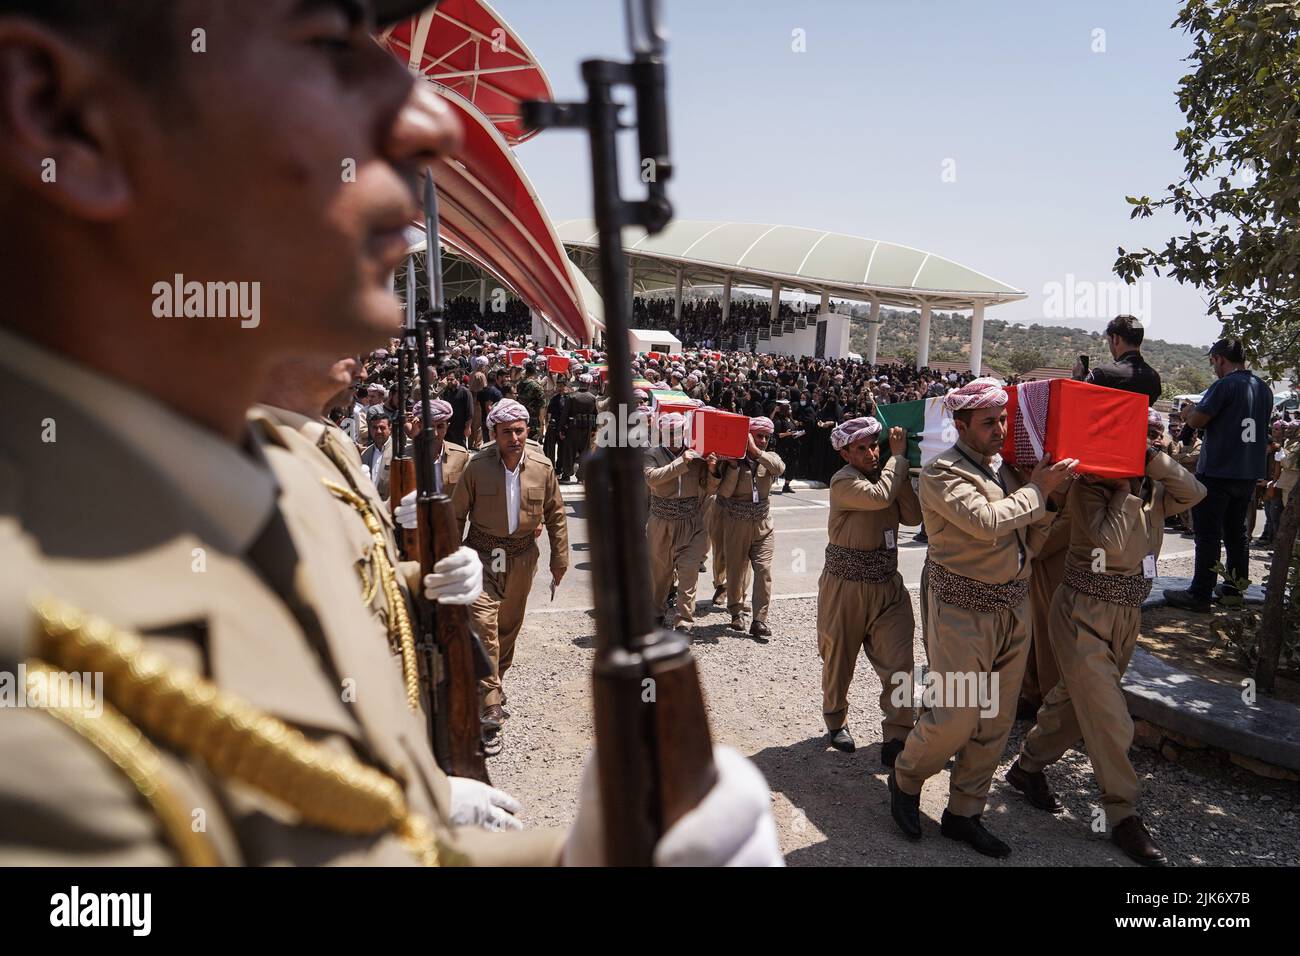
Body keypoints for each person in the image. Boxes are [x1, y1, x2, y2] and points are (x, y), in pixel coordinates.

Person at [0, 0, 778, 868]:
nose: (429, 121)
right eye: (329, 44)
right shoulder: (34, 704)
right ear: (64, 119)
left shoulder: (276, 483)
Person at [889, 378, 1076, 858]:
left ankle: (964, 813)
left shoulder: (1005, 472)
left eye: (1003, 420)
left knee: (994, 718)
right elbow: (990, 522)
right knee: (954, 715)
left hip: (1012, 608)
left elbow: (1023, 534)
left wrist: (1047, 501)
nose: (1000, 429)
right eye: (989, 422)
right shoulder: (942, 474)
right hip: (962, 610)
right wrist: (1039, 489)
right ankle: (907, 779)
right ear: (961, 425)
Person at [1006, 446, 1205, 866]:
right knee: (1110, 712)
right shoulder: (1089, 489)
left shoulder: (1151, 489)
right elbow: (1111, 545)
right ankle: (1122, 812)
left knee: (1074, 703)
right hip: (1082, 612)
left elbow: (1195, 492)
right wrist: (1123, 490)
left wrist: (1153, 462)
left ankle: (1026, 768)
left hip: (1126, 615)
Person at [452, 399, 567, 753]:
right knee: (483, 623)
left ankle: (493, 685)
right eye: (507, 433)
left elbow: (556, 513)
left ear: (527, 431)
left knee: (507, 626)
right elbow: (456, 515)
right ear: (494, 434)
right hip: (482, 555)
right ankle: (489, 704)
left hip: (520, 558)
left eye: (519, 431)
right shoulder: (477, 466)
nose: (514, 438)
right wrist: (449, 558)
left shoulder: (543, 467)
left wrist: (560, 558)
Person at [816, 418, 920, 760]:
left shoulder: (886, 476)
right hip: (846, 586)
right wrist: (898, 460)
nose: (871, 452)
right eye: (861, 448)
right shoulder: (843, 481)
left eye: (875, 445)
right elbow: (879, 498)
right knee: (839, 659)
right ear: (845, 453)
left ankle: (897, 734)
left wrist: (899, 472)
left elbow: (912, 516)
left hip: (888, 584)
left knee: (900, 662)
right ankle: (835, 720)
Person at [1164, 339, 1273, 611]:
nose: (1213, 368)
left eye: (1213, 362)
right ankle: (1234, 590)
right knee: (1238, 534)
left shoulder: (1225, 385)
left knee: (1208, 534)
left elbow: (1199, 420)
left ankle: (1200, 593)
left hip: (1218, 471)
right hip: (1247, 473)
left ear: (1220, 359)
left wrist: (1189, 412)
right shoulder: (1263, 388)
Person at [714, 417, 785, 638]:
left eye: (766, 437)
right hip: (737, 522)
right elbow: (724, 492)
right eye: (758, 436)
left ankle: (759, 620)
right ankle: (736, 612)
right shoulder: (732, 460)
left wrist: (756, 452)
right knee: (736, 570)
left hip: (764, 524)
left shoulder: (769, 458)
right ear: (747, 435)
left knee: (763, 570)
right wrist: (734, 466)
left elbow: (779, 468)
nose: (762, 440)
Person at [644, 413, 715, 631]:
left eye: (677, 432)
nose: (673, 437)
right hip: (661, 523)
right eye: (669, 433)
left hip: (692, 522)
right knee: (660, 574)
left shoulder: (696, 456)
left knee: (689, 572)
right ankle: (656, 611)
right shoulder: (651, 454)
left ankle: (684, 619)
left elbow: (710, 488)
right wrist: (680, 463)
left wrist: (713, 470)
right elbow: (652, 478)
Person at [1073, 315, 1162, 407]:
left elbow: (1075, 402)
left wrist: (1077, 378)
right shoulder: (1154, 378)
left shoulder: (1103, 374)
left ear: (1116, 338)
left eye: (1109, 341)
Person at [561, 373, 599, 483]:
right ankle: (581, 477)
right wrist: (594, 429)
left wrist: (561, 429)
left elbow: (565, 414)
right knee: (584, 452)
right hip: (587, 429)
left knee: (569, 452)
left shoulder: (572, 396)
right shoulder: (592, 398)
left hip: (572, 428)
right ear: (589, 384)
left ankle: (567, 476)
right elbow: (595, 414)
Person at [360, 405, 394, 499]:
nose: (378, 431)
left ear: (390, 428)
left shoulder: (398, 452)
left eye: (382, 428)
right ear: (370, 429)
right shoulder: (365, 454)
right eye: (375, 428)